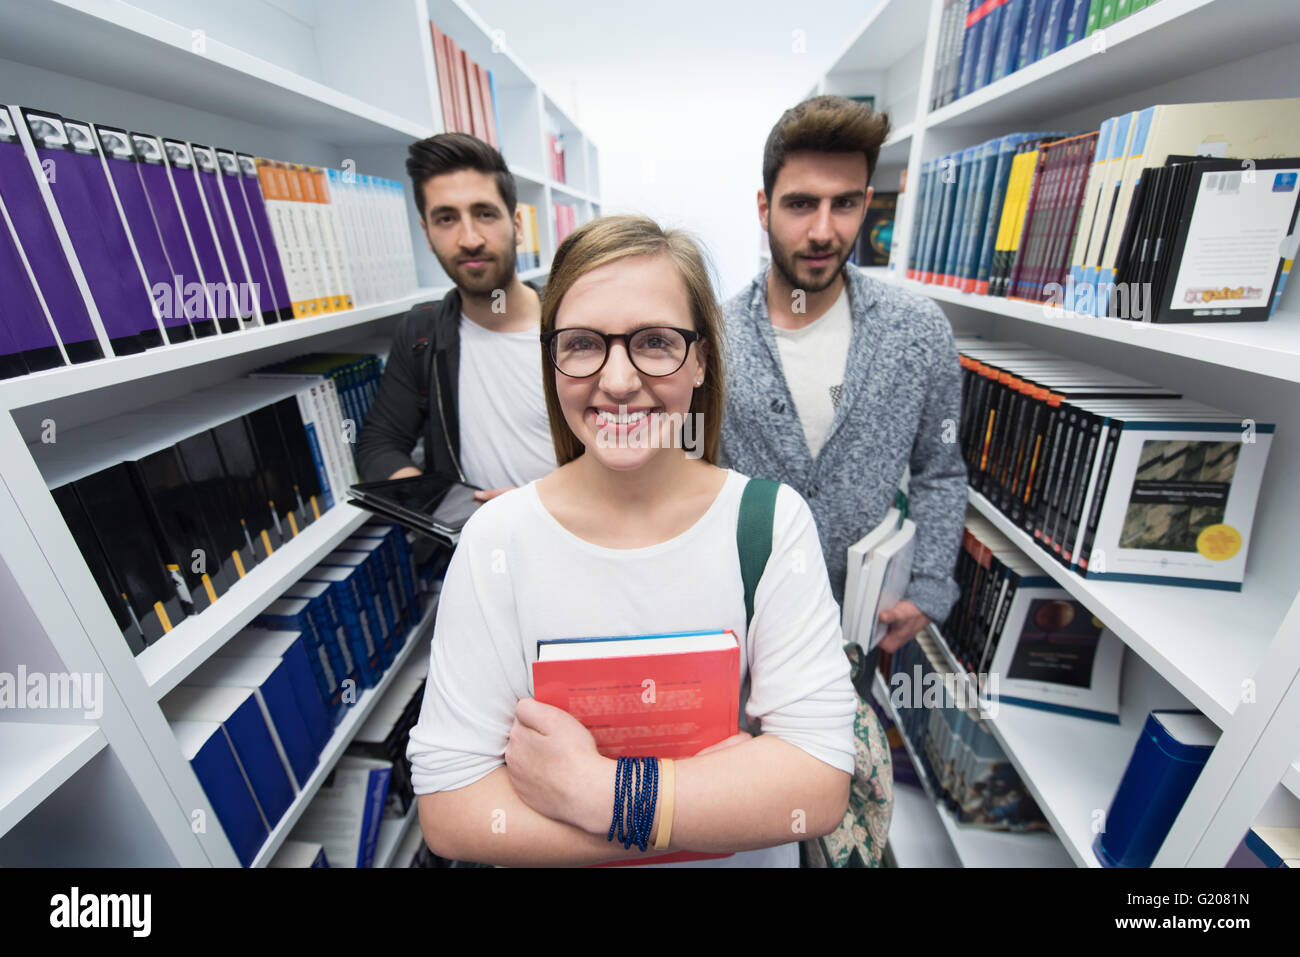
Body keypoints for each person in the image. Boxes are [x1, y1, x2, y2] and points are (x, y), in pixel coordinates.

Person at [406, 215, 856, 867]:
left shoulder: (768, 524)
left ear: (700, 359)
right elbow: (452, 811)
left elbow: (813, 786)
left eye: (654, 341)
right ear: (552, 360)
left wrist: (598, 792)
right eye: (584, 344)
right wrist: (713, 806)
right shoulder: (497, 541)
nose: (618, 382)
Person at [721, 95, 966, 666]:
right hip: (739, 625)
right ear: (764, 207)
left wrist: (929, 586)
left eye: (845, 204)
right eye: (801, 204)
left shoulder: (917, 331)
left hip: (860, 627)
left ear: (868, 204)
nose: (823, 230)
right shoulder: (713, 336)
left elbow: (942, 468)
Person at [355, 133, 555, 500]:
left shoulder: (578, 327)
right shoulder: (422, 331)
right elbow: (378, 444)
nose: (470, 239)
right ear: (427, 234)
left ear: (517, 225)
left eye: (484, 214)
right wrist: (442, 506)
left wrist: (540, 504)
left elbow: (633, 445)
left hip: (574, 540)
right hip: (469, 545)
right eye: (446, 219)